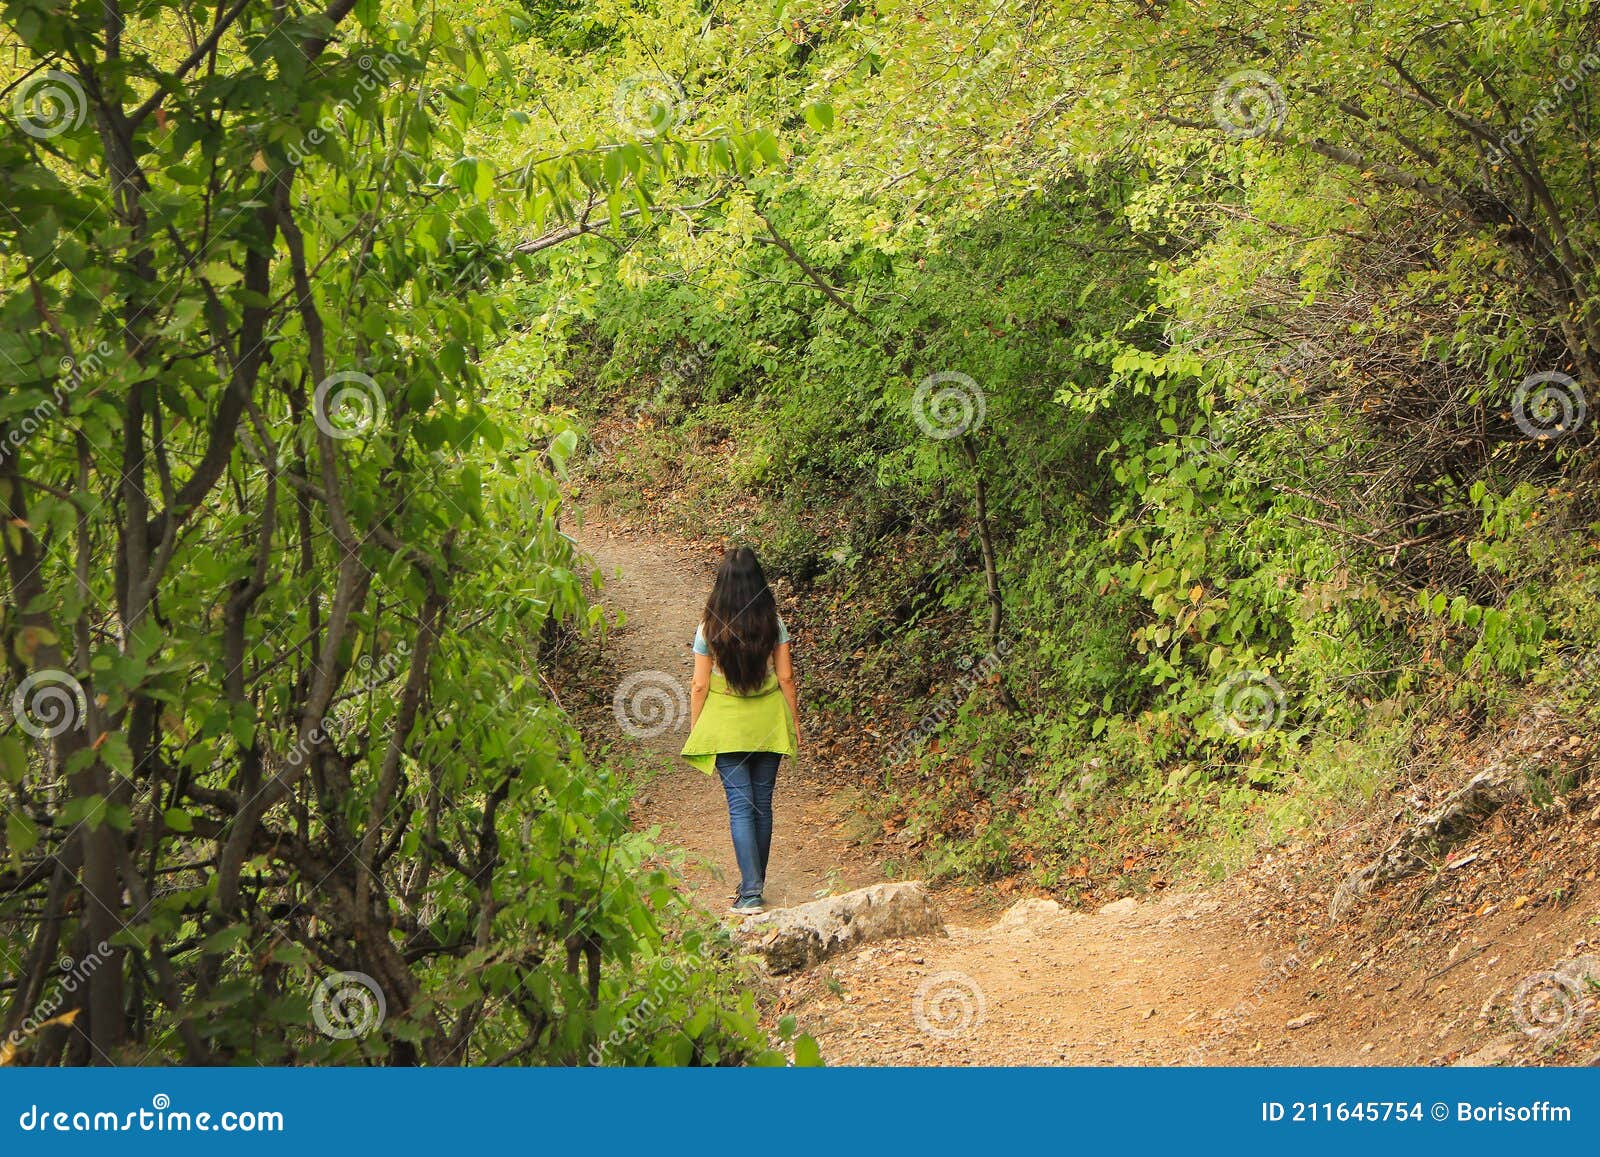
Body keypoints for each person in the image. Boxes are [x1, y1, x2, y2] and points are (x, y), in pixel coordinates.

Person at [680, 547, 800, 915]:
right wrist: (794, 721)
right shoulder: (773, 623)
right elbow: (785, 677)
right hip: (767, 725)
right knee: (761, 804)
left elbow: (699, 685)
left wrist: (697, 726)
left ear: (722, 585)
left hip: (727, 728)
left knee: (740, 807)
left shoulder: (709, 627)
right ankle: (753, 883)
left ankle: (750, 892)